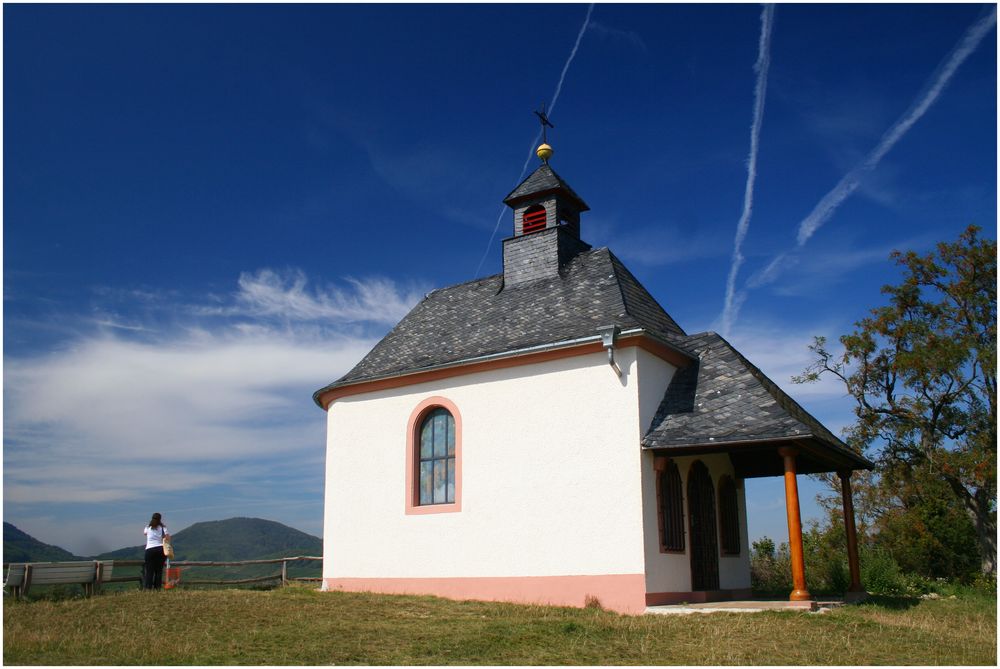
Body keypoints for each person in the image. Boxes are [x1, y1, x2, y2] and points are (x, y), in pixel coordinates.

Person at [142, 513, 171, 590]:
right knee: (158, 570)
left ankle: (148, 588)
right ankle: (157, 588)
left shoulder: (148, 527)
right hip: (160, 549)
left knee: (149, 570)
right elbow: (168, 537)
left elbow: (145, 533)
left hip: (150, 550)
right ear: (160, 519)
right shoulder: (162, 528)